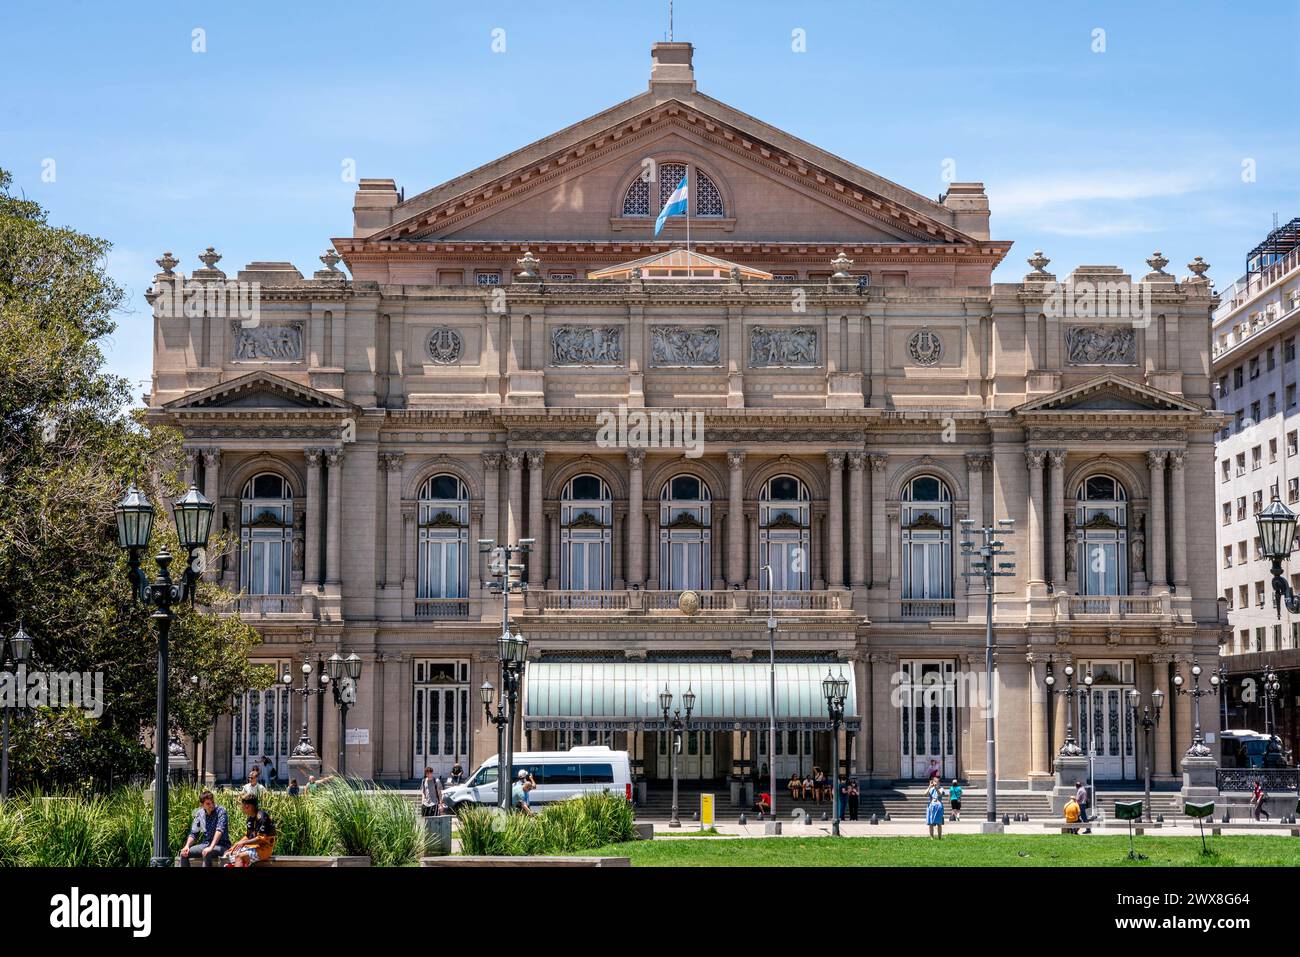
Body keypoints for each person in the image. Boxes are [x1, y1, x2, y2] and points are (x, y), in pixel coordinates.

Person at [179, 790, 229, 867]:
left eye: (212, 802)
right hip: (206, 844)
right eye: (208, 804)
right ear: (202, 805)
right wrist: (187, 846)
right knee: (183, 853)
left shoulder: (221, 811)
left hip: (222, 845)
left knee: (207, 852)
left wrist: (211, 847)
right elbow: (193, 833)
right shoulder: (200, 814)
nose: (211, 805)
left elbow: (219, 830)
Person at [226, 795, 276, 867]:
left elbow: (260, 839)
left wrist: (243, 843)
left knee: (239, 856)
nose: (241, 807)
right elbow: (248, 836)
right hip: (254, 846)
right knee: (228, 853)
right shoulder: (250, 818)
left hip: (264, 849)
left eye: (241, 805)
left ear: (247, 806)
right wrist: (235, 846)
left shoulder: (262, 817)